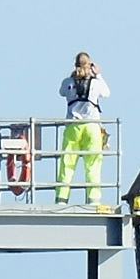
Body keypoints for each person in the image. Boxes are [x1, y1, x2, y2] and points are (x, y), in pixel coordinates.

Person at [54, 52, 108, 206]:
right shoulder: (96, 83)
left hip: (73, 126)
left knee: (67, 163)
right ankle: (93, 199)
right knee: (93, 164)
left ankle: (62, 199)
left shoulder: (68, 82)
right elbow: (107, 93)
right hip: (92, 127)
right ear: (90, 65)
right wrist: (98, 75)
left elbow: (61, 92)